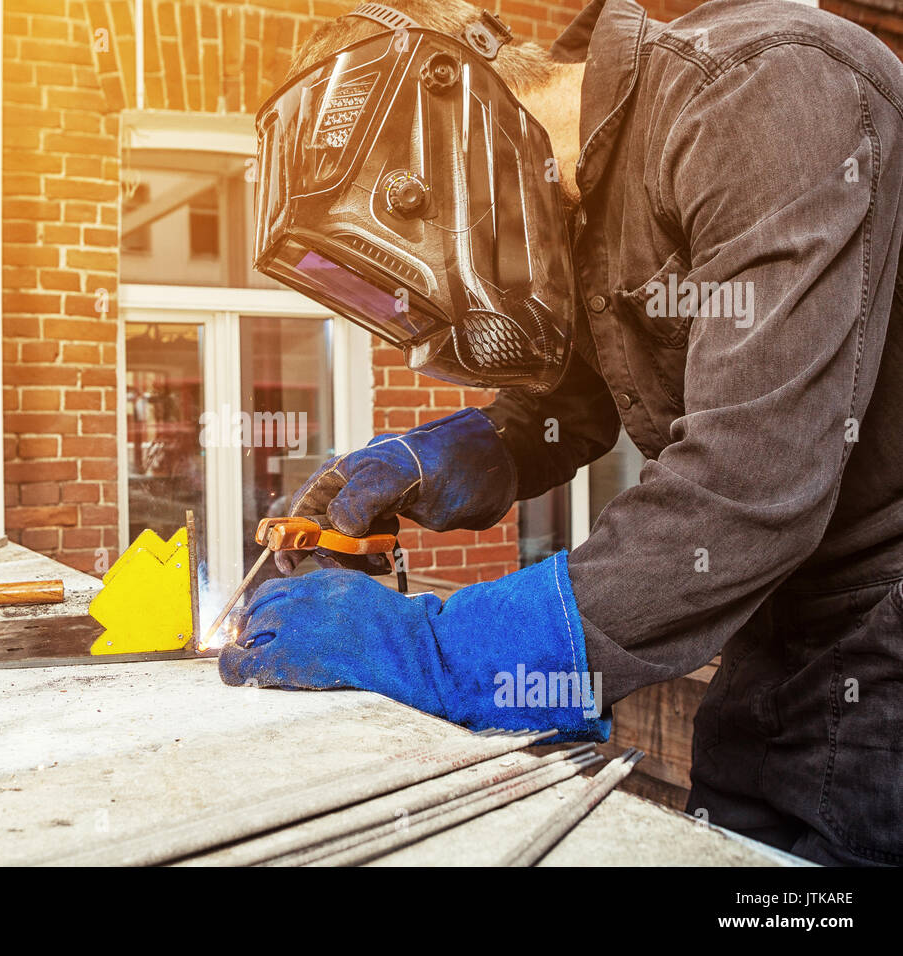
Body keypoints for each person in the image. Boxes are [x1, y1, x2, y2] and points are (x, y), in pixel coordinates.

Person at [220, 0, 903, 865]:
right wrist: (474, 450)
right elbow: (584, 403)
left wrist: (441, 653)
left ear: (450, 119)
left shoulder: (760, 96)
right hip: (783, 620)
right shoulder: (574, 192)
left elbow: (746, 489)